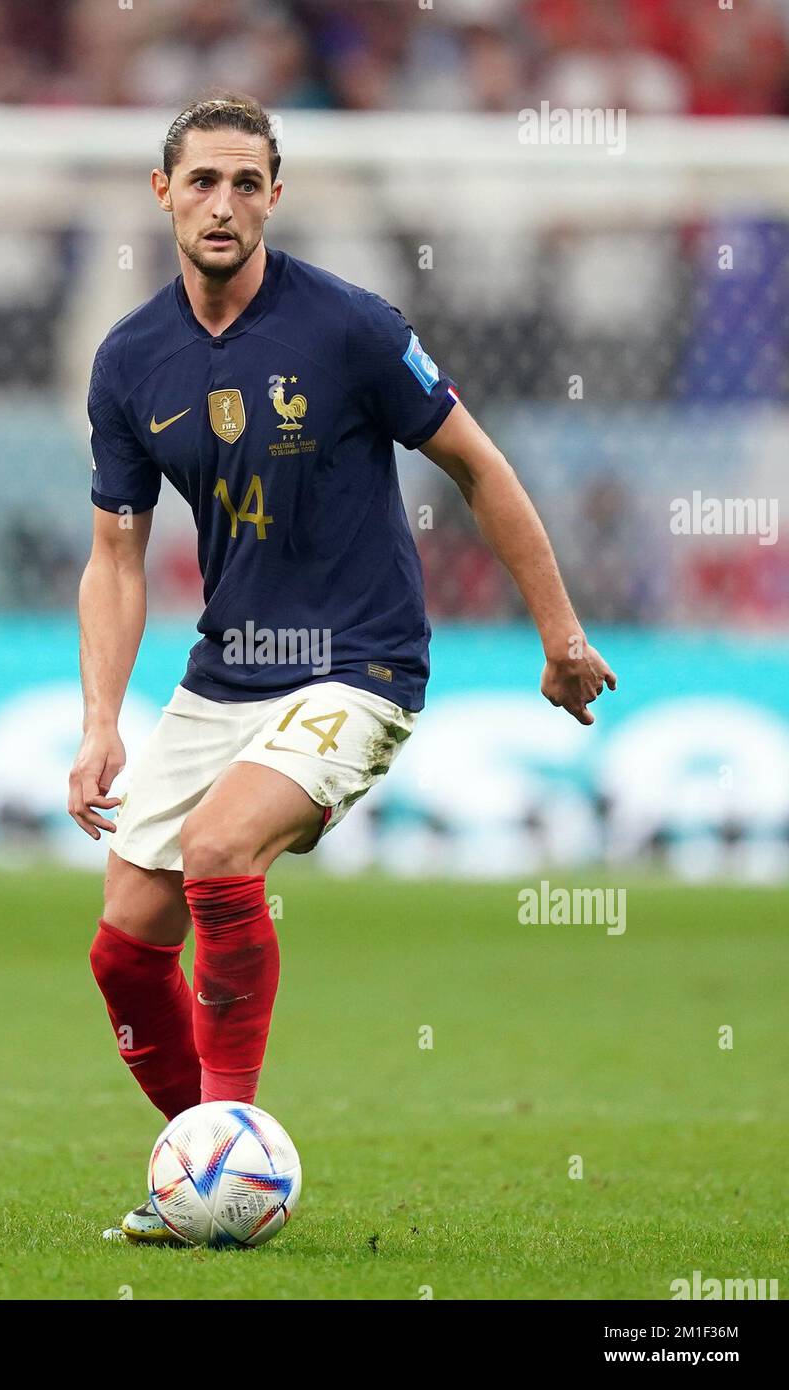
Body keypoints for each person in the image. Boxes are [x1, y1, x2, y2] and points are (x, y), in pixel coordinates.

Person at [68, 94, 616, 1244]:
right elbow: (116, 551)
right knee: (124, 950)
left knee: (221, 851)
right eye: (202, 181)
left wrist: (559, 637)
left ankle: (231, 1141)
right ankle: (214, 1174)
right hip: (226, 671)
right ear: (161, 193)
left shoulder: (353, 328)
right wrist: (99, 719)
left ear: (277, 193)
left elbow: (480, 468)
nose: (224, 204)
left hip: (359, 662)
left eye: (246, 183)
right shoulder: (129, 361)